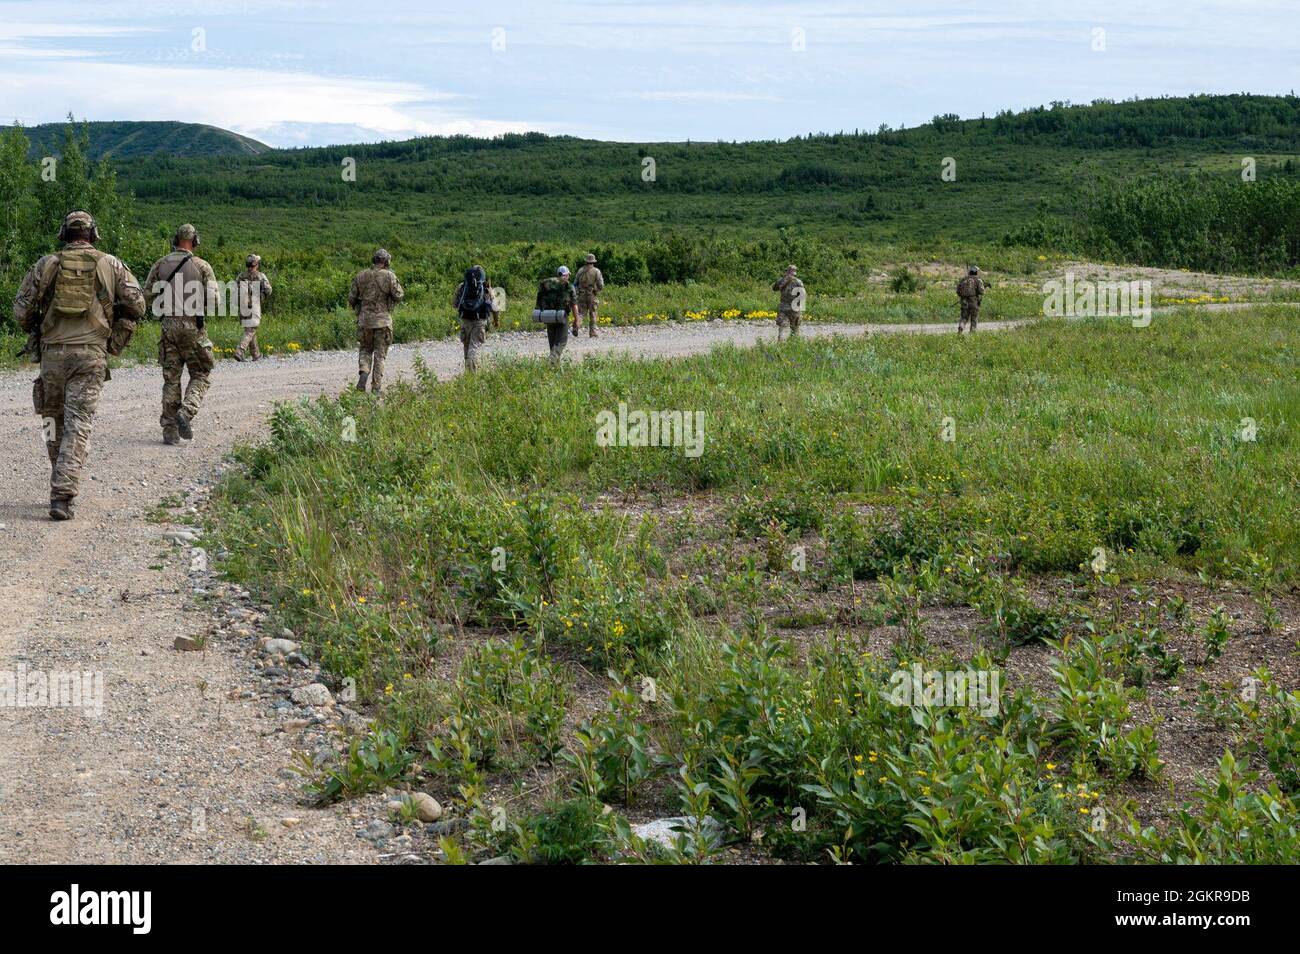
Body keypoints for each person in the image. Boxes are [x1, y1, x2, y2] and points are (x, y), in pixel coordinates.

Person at [12, 210, 145, 519]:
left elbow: (20, 311)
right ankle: (62, 492)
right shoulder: (110, 263)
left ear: (64, 234)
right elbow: (138, 304)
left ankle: (60, 480)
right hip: (90, 355)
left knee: (52, 419)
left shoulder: (46, 264)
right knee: (79, 422)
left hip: (52, 355)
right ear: (92, 234)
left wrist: (37, 327)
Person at [143, 224, 218, 445]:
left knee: (171, 379)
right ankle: (186, 411)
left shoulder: (160, 264)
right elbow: (214, 300)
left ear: (175, 240)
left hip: (169, 327)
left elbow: (146, 296)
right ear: (194, 241)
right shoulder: (202, 266)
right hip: (193, 328)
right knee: (201, 373)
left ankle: (170, 431)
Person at [348, 248, 404, 392]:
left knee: (365, 350)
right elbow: (399, 295)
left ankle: (364, 371)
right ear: (386, 261)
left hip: (365, 321)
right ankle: (376, 387)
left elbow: (352, 298)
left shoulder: (361, 275)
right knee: (380, 355)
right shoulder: (389, 276)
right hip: (383, 322)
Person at [452, 264, 493, 371]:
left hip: (465, 320)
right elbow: (494, 307)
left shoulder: (462, 286)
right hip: (479, 322)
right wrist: (496, 321)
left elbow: (455, 304)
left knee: (466, 346)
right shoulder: (486, 288)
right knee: (474, 347)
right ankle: (473, 374)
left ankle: (468, 374)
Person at [535, 266, 578, 366]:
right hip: (561, 316)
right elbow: (574, 304)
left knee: (553, 342)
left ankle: (554, 367)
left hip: (548, 316)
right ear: (566, 275)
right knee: (561, 342)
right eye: (568, 275)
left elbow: (540, 299)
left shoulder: (547, 284)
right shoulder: (568, 286)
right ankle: (552, 361)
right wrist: (576, 320)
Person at [234, 254, 272, 361]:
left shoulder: (241, 276)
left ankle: (256, 355)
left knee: (249, 329)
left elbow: (235, 289)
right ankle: (240, 350)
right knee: (251, 329)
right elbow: (269, 290)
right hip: (254, 305)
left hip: (242, 306)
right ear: (256, 264)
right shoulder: (260, 276)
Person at [574, 253, 605, 338]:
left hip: (581, 294)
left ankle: (577, 325)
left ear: (586, 261)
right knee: (593, 313)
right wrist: (597, 290)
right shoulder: (596, 271)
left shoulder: (580, 270)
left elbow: (575, 283)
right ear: (593, 262)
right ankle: (592, 332)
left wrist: (577, 292)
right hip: (591, 294)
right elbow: (601, 285)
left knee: (581, 313)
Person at [773, 265, 805, 341]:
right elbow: (803, 295)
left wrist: (782, 279)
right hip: (795, 308)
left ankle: (780, 344)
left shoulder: (781, 280)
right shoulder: (798, 282)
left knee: (782, 328)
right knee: (795, 329)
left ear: (787, 271)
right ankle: (794, 344)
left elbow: (774, 288)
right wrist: (800, 307)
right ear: (795, 272)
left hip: (783, 308)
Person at [956, 265, 986, 333]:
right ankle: (972, 332)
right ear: (976, 272)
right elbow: (981, 292)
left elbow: (958, 291)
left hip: (964, 301)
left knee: (964, 317)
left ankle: (961, 327)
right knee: (974, 318)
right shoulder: (978, 280)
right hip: (974, 301)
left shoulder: (963, 280)